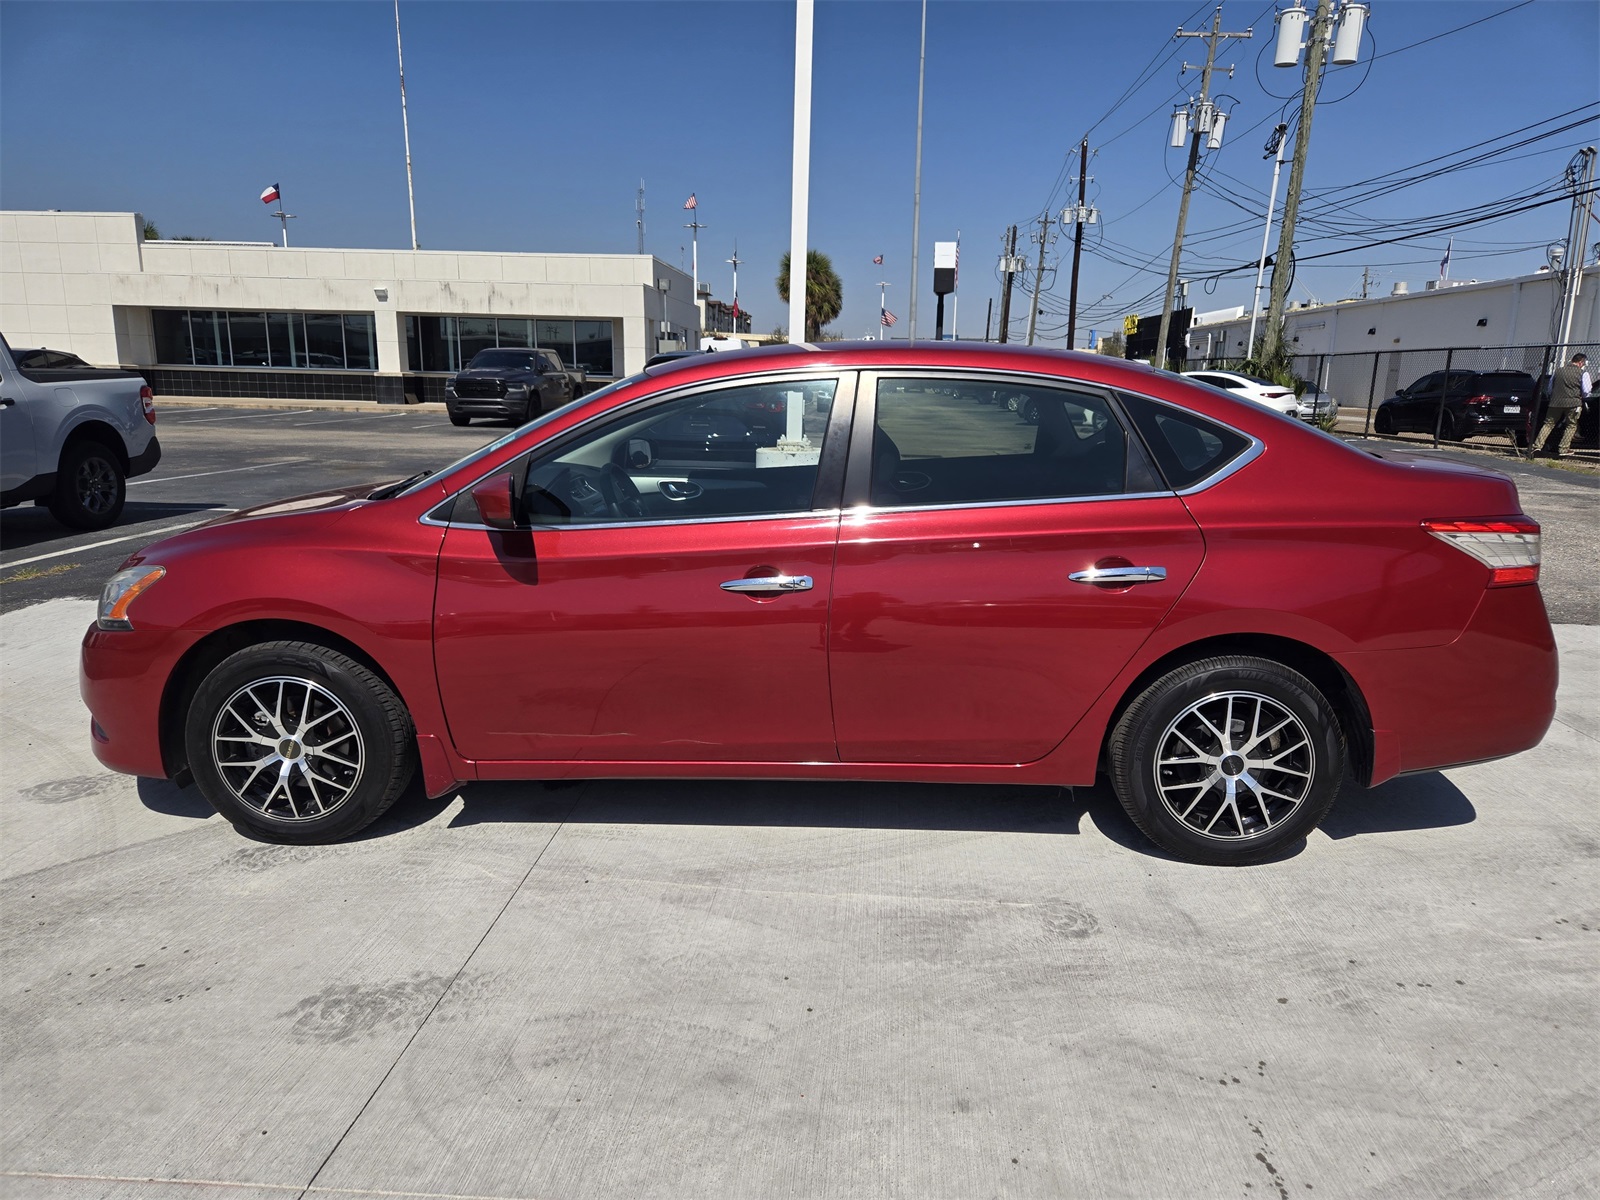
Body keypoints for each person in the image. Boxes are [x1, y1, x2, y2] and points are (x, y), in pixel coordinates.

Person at [1532, 352, 1591, 458]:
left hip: (1555, 402)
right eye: (1584, 363)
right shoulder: (1582, 373)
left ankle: (1537, 446)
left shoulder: (1558, 371)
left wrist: (1554, 396)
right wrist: (1581, 396)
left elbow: (1550, 387)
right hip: (1573, 403)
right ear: (1581, 362)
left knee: (1548, 424)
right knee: (1571, 425)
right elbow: (1586, 390)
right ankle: (1563, 448)